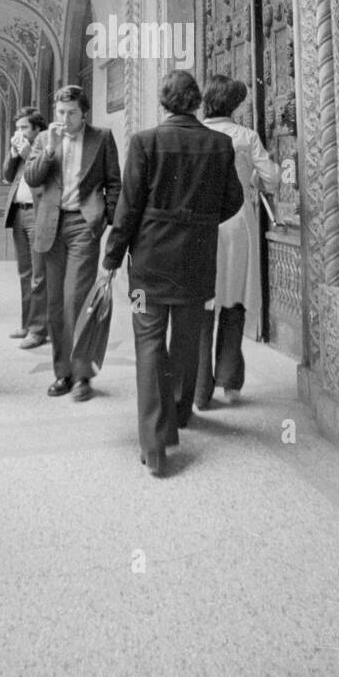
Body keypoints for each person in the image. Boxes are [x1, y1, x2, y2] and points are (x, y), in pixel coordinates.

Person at [102, 69, 243, 476]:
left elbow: (127, 209)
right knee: (184, 342)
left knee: (148, 345)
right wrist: (200, 220)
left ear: (163, 103)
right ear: (197, 102)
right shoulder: (220, 144)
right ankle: (179, 413)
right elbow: (232, 200)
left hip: (148, 262)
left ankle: (155, 443)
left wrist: (112, 259)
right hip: (196, 259)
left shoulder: (145, 141)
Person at [24, 84, 121, 402]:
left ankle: (82, 376)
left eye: (71, 113)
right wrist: (50, 148)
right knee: (55, 304)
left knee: (76, 299)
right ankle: (62, 373)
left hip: (83, 224)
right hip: (51, 226)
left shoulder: (102, 137)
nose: (64, 118)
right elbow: (32, 178)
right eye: (60, 112)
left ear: (84, 113)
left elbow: (113, 182)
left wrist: (104, 220)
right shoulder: (43, 139)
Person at [195, 75, 281, 409]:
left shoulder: (197, 133)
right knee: (234, 299)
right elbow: (272, 177)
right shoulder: (245, 136)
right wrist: (253, 177)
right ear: (235, 105)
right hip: (237, 223)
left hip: (202, 225)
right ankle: (229, 382)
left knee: (204, 301)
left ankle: (200, 390)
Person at [3, 106, 49, 348]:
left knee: (39, 275)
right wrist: (13, 154)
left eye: (24, 128)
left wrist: (30, 152)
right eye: (17, 127)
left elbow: (47, 176)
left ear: (37, 129)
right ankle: (27, 323)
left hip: (38, 214)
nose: (19, 132)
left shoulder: (44, 146)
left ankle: (39, 330)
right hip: (19, 213)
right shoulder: (20, 149)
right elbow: (7, 175)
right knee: (24, 273)